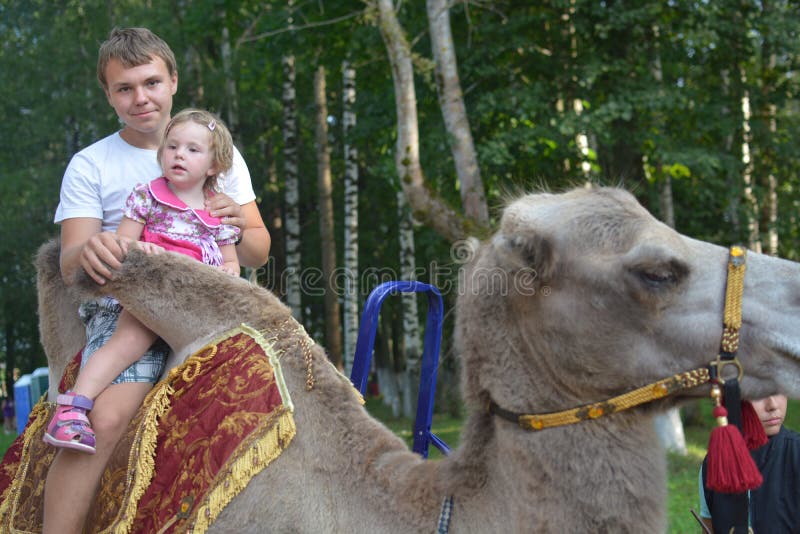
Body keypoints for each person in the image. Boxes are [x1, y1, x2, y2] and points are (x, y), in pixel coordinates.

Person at [44, 27, 270, 534]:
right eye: (124, 88)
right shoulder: (92, 163)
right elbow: (69, 263)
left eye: (150, 82)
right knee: (107, 419)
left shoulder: (219, 155)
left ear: (172, 80)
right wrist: (96, 248)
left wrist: (237, 219)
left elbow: (257, 249)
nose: (140, 97)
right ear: (109, 95)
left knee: (281, 394)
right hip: (132, 303)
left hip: (212, 301)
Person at [43, 108, 241, 454]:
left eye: (192, 150)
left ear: (213, 165)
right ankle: (72, 407)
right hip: (154, 294)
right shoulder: (148, 197)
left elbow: (232, 263)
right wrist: (140, 247)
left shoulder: (218, 213)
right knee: (129, 340)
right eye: (172, 147)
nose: (179, 154)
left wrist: (227, 272)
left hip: (198, 304)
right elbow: (122, 244)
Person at [698, 394, 800, 533]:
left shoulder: (796, 453)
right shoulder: (715, 464)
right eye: (758, 394)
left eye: (778, 391)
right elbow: (708, 528)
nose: (773, 405)